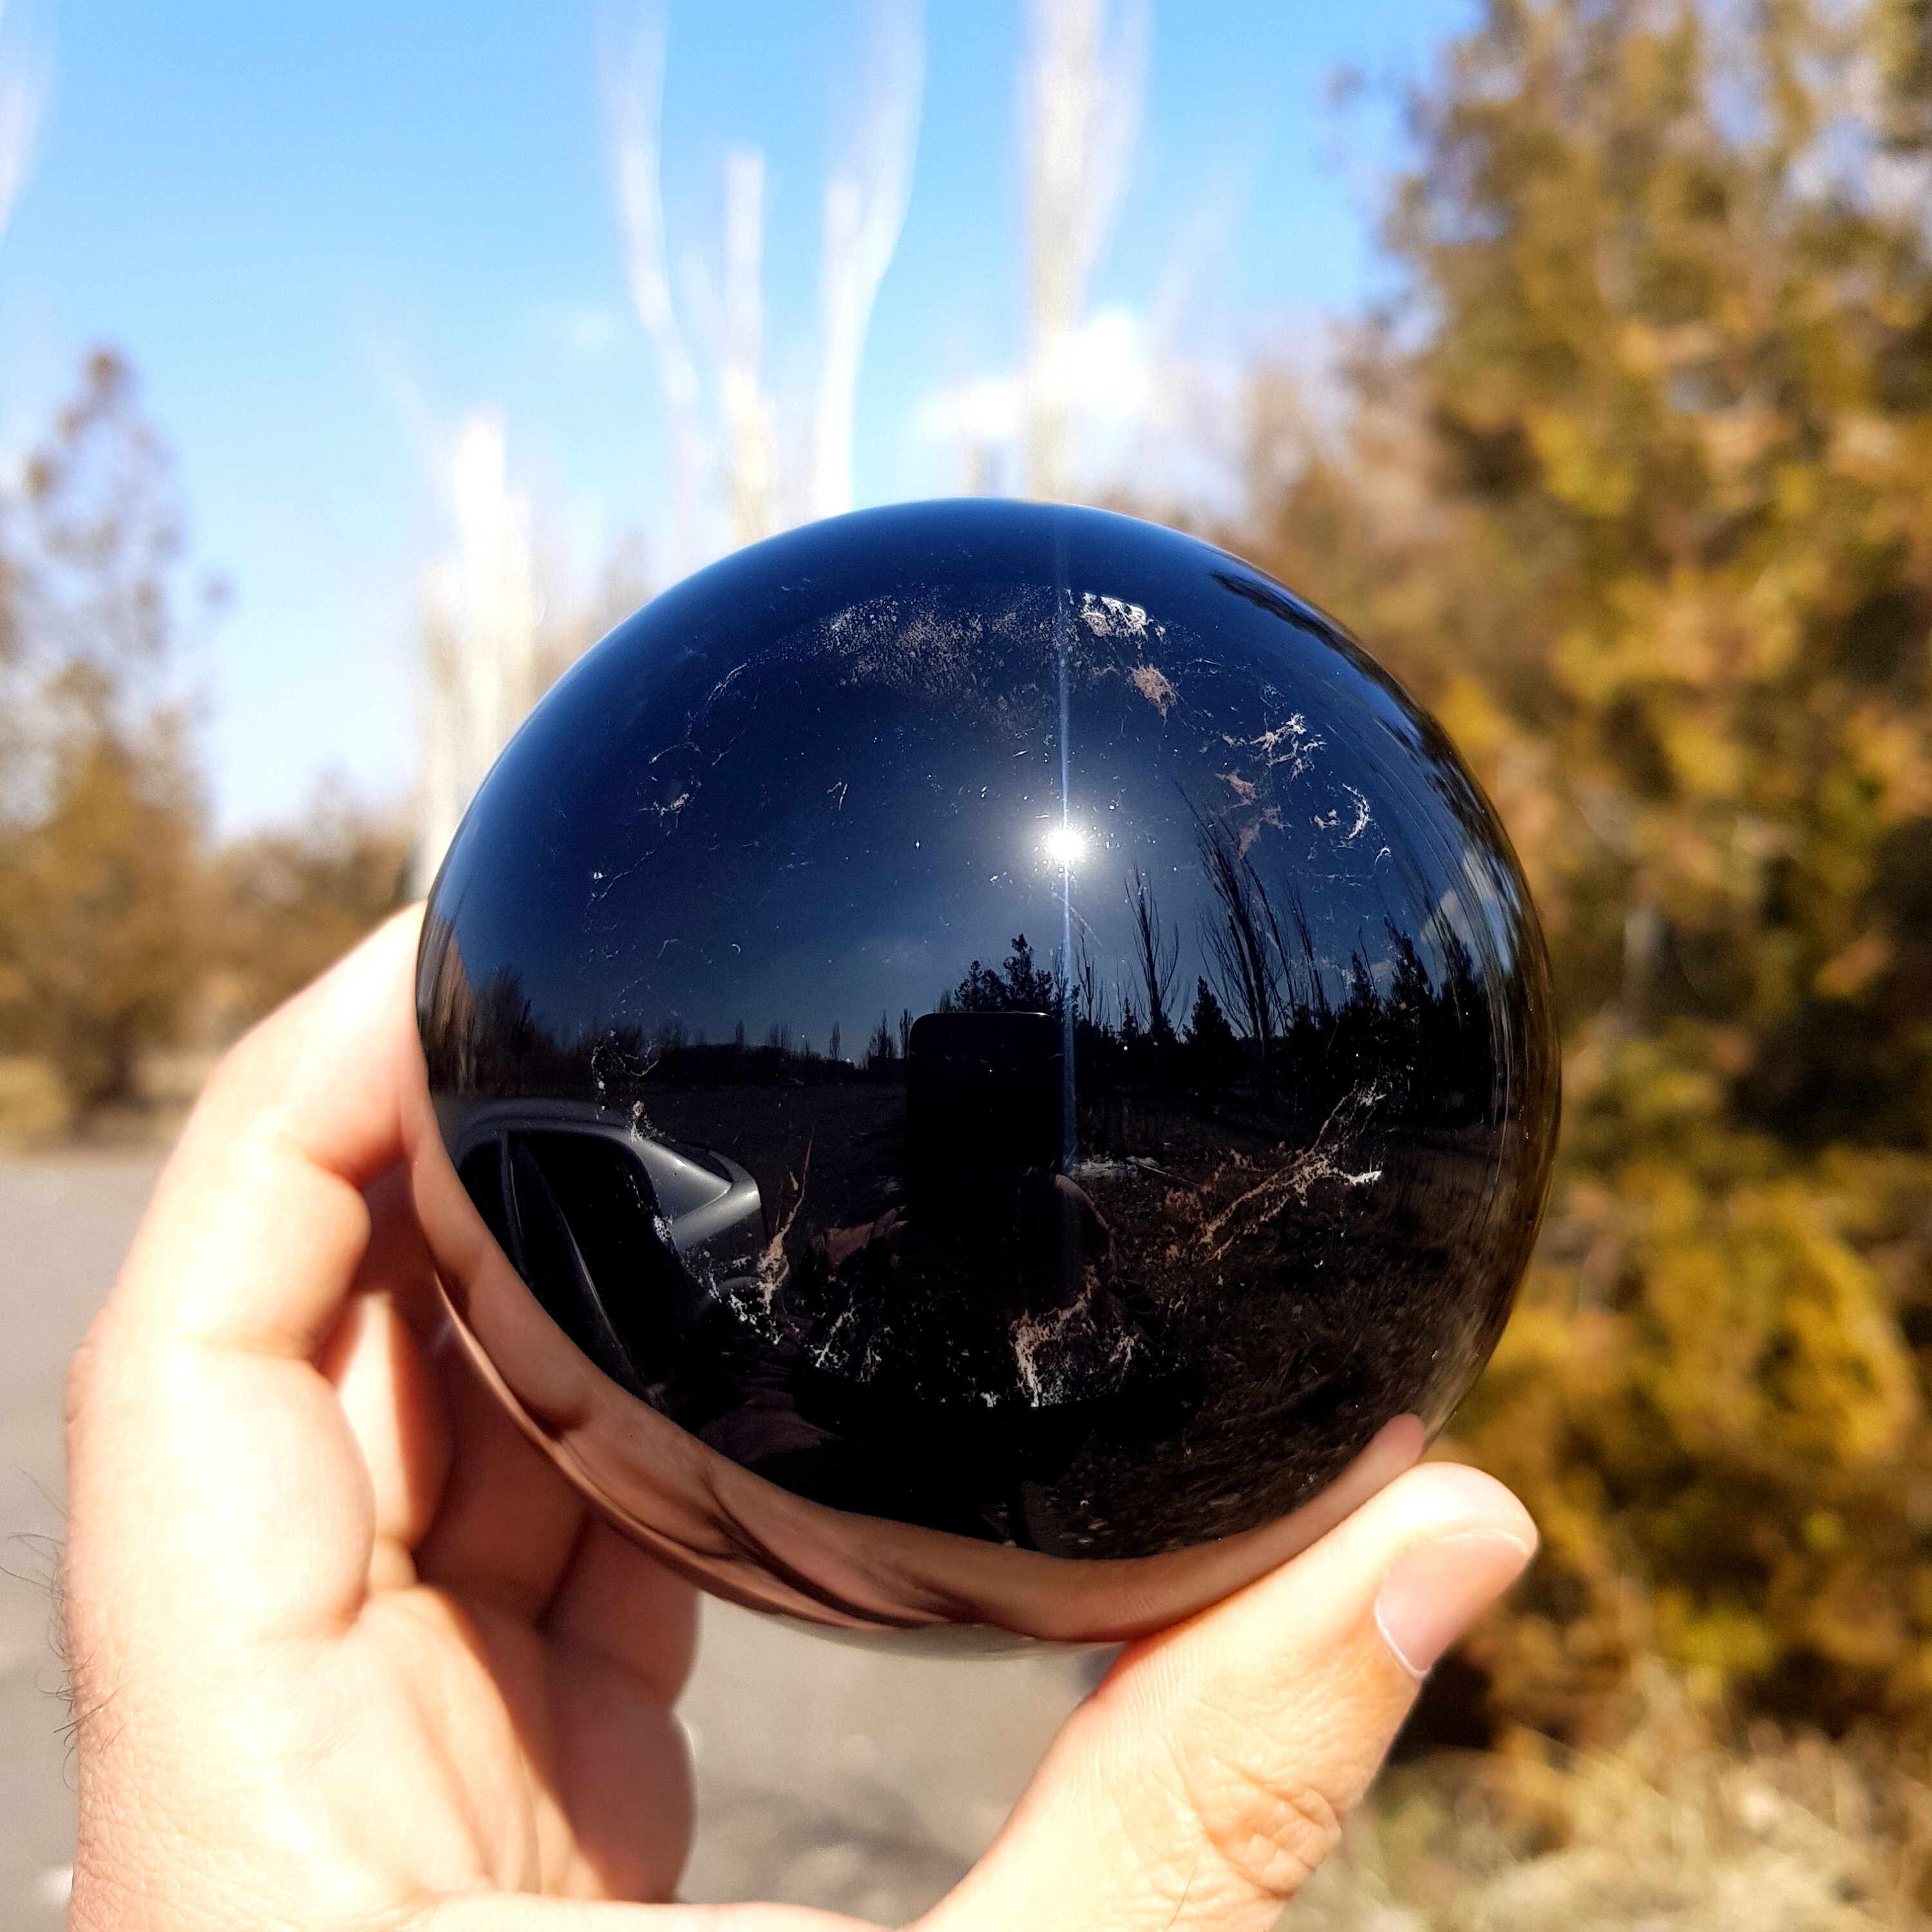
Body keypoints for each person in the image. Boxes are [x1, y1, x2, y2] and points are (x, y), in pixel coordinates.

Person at [61, 910, 1535, 1932]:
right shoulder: (855, 1282)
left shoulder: (1088, 1270)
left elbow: (1131, 1421)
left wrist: (1085, 1315)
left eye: (1012, 1088)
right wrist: (844, 1318)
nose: (990, 1118)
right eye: (955, 1084)